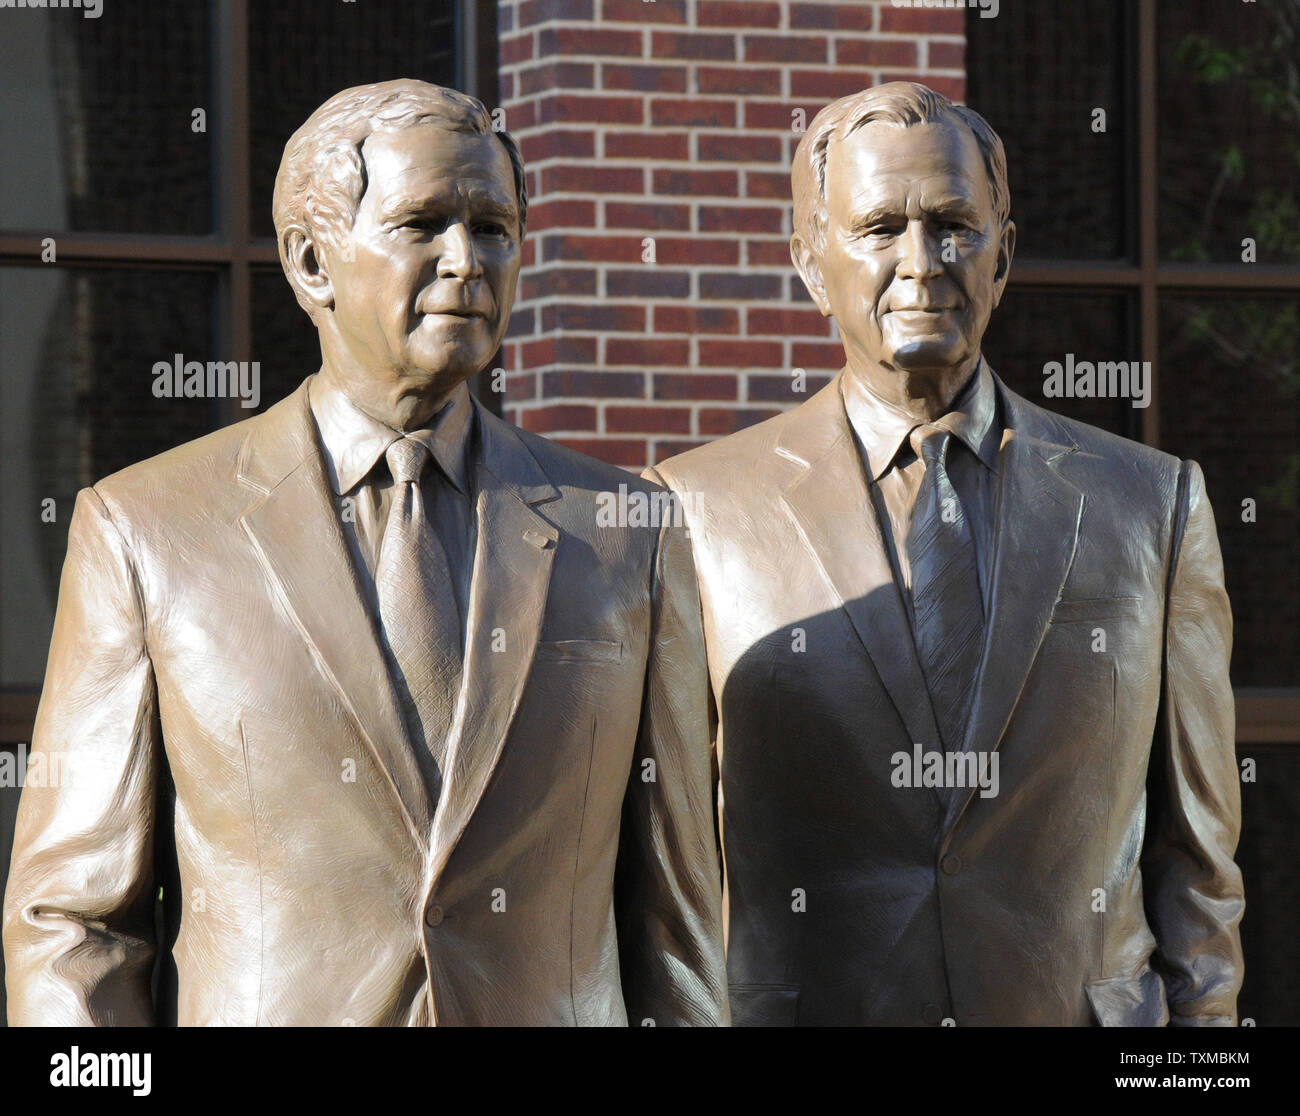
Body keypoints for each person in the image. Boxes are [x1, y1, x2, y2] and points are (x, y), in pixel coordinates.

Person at [3, 80, 728, 1027]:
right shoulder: (148, 530)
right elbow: (72, 927)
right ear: (312, 262)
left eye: (494, 228)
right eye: (423, 223)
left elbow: (680, 923)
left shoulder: (628, 529)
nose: (467, 261)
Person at [649, 82, 1243, 1026]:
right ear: (811, 261)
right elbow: (665, 870)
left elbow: (1199, 861)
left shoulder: (1150, 504)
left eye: (953, 224)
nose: (921, 263)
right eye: (880, 227)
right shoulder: (691, 511)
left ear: (1002, 254)